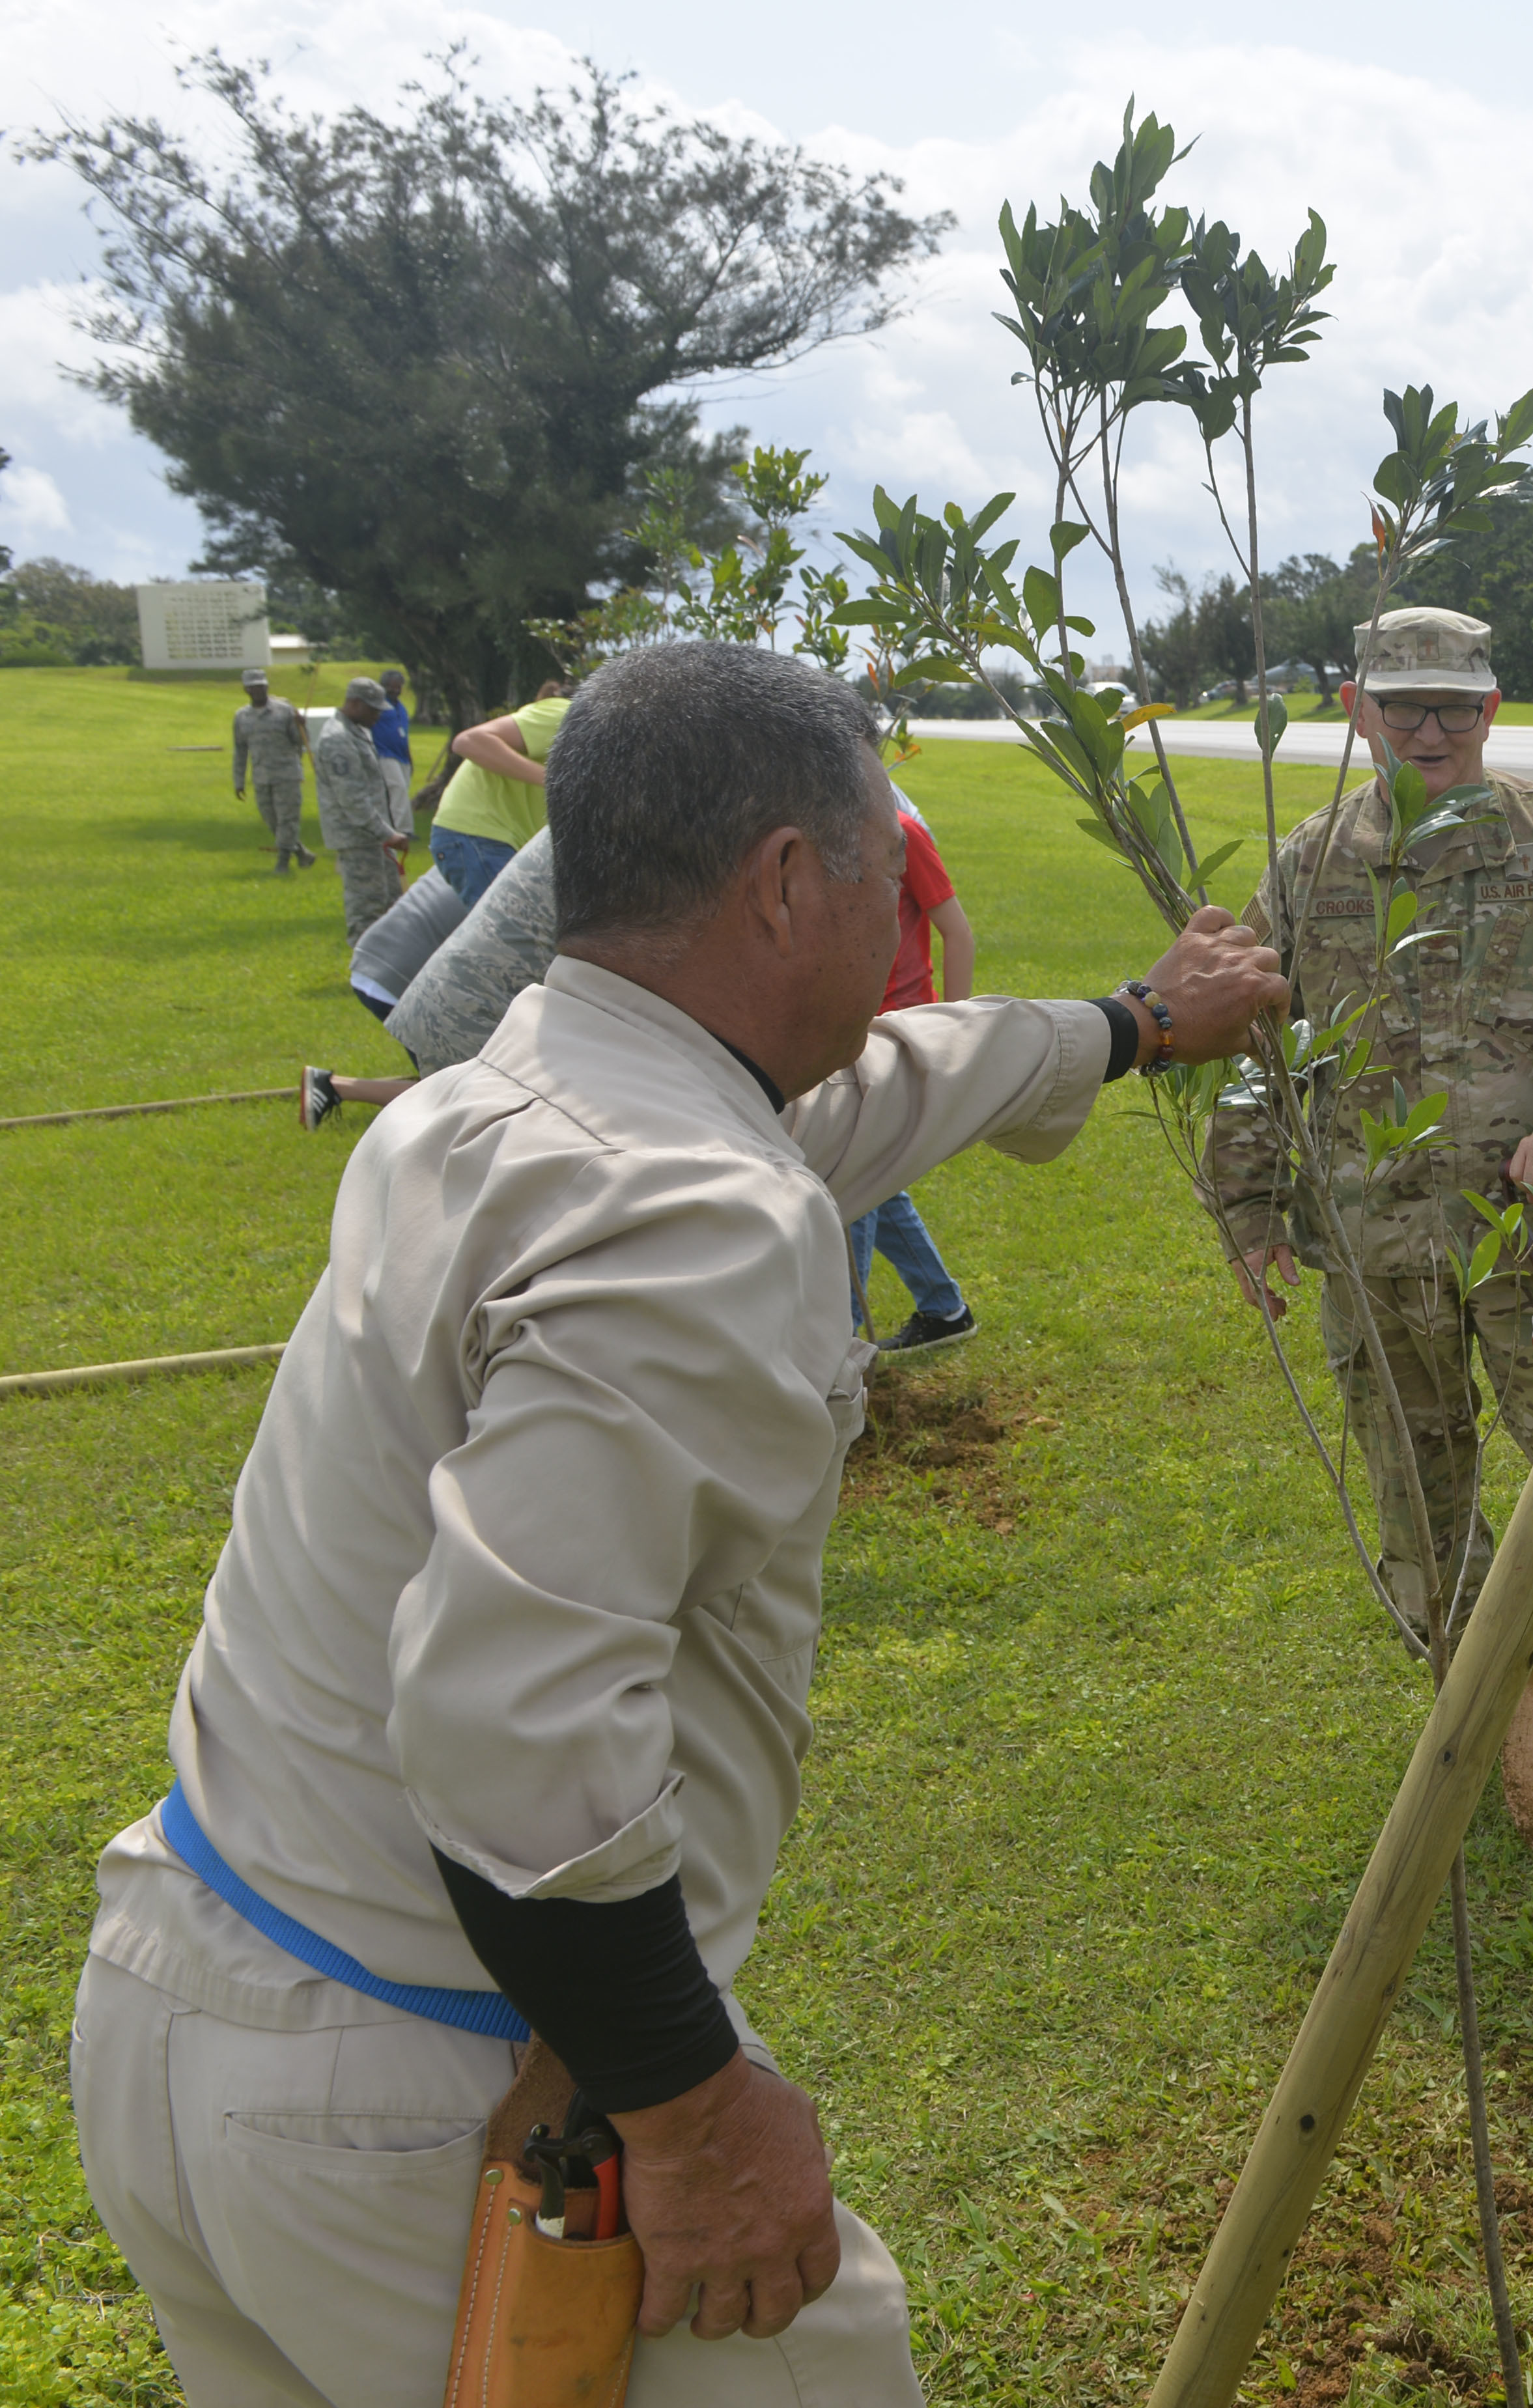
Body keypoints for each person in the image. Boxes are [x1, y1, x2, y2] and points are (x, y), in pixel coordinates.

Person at [71, 640, 1286, 2404]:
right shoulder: (699, 1215)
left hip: (190, 1982)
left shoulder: (509, 1100)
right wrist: (698, 2118)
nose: (900, 930)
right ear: (790, 880)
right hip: (433, 2097)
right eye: (885, 871)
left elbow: (868, 1099)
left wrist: (1130, 1024)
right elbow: (512, 1732)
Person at [1207, 604, 1533, 1825]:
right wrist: (1249, 1201)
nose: (1427, 730)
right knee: (1415, 1487)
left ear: (1490, 708)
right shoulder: (1312, 865)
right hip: (1372, 1242)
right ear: (1356, 709)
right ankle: (1481, 1699)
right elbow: (1250, 1044)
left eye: (1453, 706)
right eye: (1402, 706)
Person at [303, 828, 558, 1128]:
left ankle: (336, 1086)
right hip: (403, 976)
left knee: (465, 1084)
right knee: (475, 1089)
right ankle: (335, 1087)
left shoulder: (491, 849)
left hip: (377, 964)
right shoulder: (499, 865)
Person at [849, 792, 979, 1356]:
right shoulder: (823, 832)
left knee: (852, 1180)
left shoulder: (903, 834)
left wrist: (956, 1029)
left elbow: (959, 932)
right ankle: (944, 1308)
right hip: (848, 1030)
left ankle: (838, 1338)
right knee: (876, 1183)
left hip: (900, 1034)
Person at [432, 677, 569, 902]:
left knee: (525, 932)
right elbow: (469, 741)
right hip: (480, 835)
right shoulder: (565, 715)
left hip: (492, 839)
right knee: (515, 934)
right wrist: (556, 780)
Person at [310, 676, 410, 943]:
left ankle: (385, 966)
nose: (378, 715)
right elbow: (352, 800)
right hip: (358, 837)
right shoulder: (338, 740)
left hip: (373, 836)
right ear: (354, 704)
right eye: (373, 709)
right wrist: (387, 834)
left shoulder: (355, 732)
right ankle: (363, 973)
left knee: (390, 902)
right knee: (367, 908)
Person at [231, 666, 312, 871]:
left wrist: (303, 726)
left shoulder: (284, 710)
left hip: (287, 774)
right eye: (254, 688)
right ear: (246, 690)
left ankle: (283, 862)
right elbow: (240, 751)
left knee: (288, 819)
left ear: (267, 686)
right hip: (261, 776)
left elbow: (301, 742)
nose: (259, 691)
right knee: (272, 820)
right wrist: (238, 781)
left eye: (262, 686)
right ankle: (302, 852)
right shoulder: (241, 717)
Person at [371, 669, 417, 863]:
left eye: (398, 687)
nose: (395, 690)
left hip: (402, 756)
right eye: (391, 686)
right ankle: (401, 830)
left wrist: (410, 758)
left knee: (402, 790)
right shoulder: (378, 706)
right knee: (397, 788)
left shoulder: (402, 708)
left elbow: (404, 735)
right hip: (384, 754)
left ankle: (402, 827)